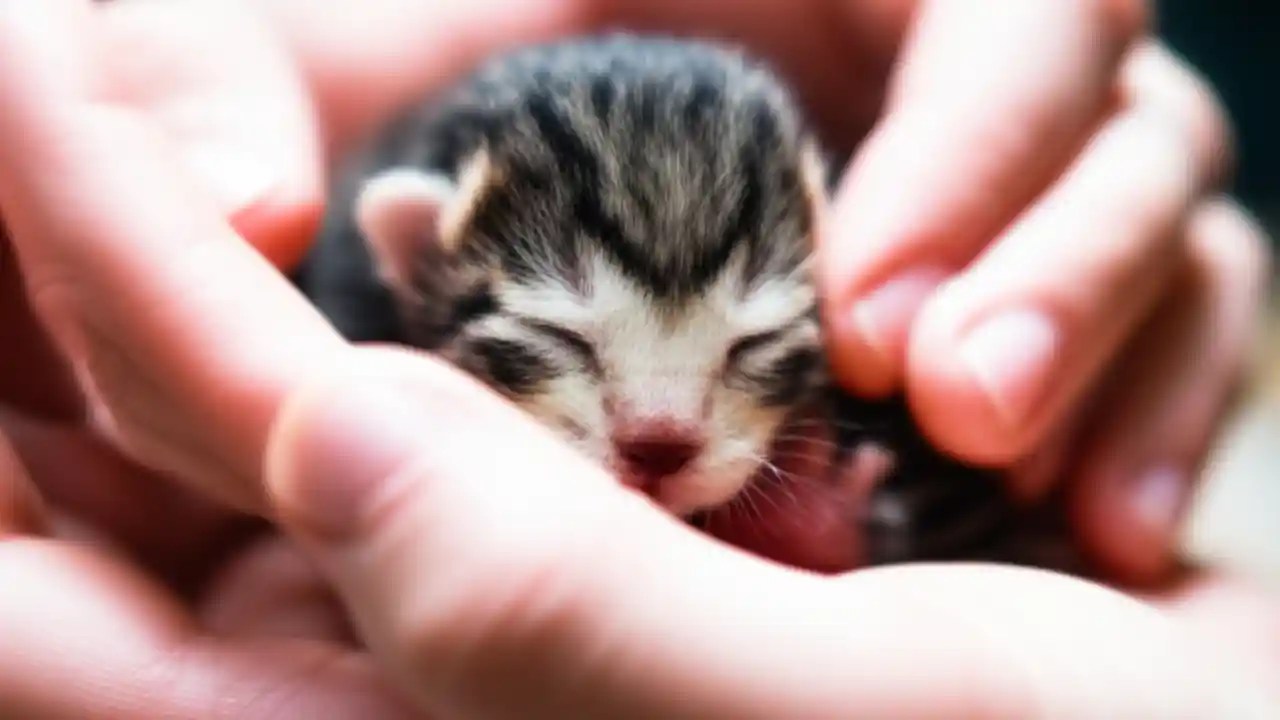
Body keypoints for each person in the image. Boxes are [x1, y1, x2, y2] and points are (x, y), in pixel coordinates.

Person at [0, 0, 1275, 716]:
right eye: (557, 342)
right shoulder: (334, 260)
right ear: (410, 254)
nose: (666, 428)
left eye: (747, 347)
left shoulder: (861, 344)